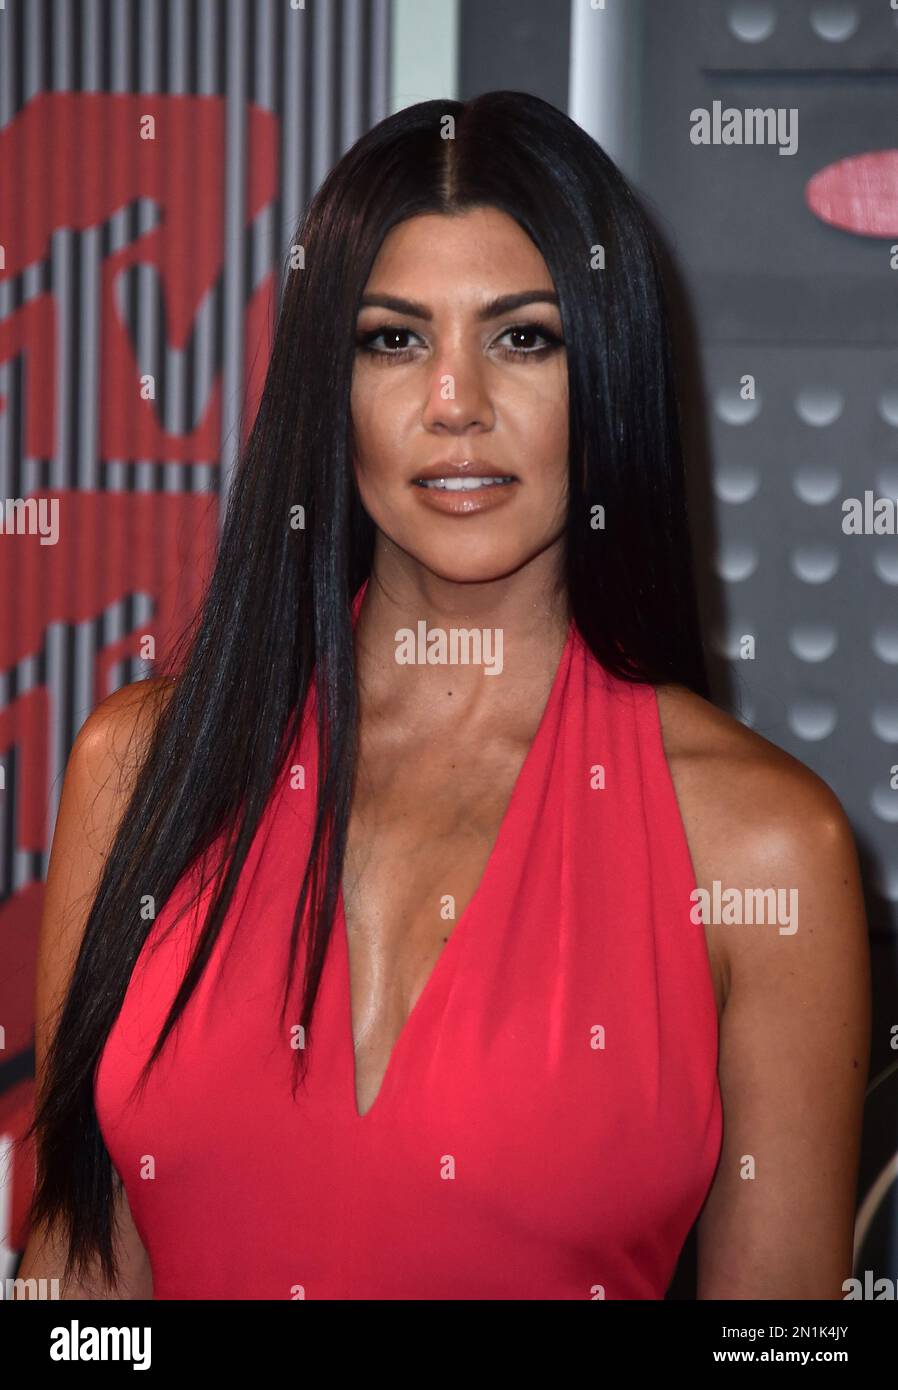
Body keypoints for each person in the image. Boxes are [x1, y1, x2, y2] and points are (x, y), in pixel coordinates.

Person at [15, 91, 869, 1300]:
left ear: (606, 373)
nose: (454, 402)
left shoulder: (764, 846)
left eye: (523, 337)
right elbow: (79, 1278)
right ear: (332, 387)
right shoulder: (141, 769)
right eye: (393, 339)